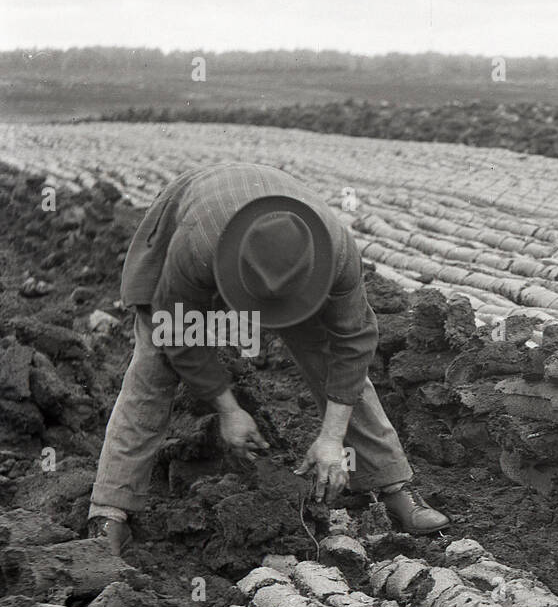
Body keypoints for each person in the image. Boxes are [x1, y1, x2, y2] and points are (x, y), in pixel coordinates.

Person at [87, 162, 447, 554]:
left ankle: (392, 485)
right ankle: (110, 512)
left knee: (332, 358)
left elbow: (354, 342)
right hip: (194, 218)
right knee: (154, 364)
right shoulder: (197, 246)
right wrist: (228, 409)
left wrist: (331, 438)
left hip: (274, 241)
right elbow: (177, 332)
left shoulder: (336, 251)